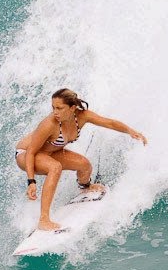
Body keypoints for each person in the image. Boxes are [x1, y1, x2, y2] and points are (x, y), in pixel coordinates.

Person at [15, 88, 147, 231]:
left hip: (50, 153)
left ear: (72, 108)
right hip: (26, 154)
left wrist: (130, 131)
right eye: (53, 107)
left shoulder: (82, 116)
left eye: (59, 108)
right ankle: (44, 220)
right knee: (55, 167)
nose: (55, 112)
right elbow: (31, 152)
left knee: (84, 165)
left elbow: (109, 123)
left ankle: (85, 187)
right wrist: (31, 181)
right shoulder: (49, 124)